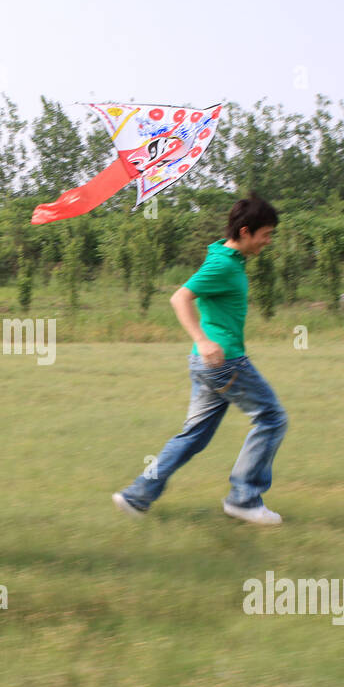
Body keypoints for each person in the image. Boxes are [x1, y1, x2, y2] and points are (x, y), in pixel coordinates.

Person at [112, 193, 288, 525]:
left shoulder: (228, 259)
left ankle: (138, 495)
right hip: (226, 363)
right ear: (246, 231)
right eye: (266, 234)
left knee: (193, 436)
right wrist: (203, 340)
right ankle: (244, 498)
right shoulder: (222, 264)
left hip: (210, 364)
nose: (268, 241)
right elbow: (180, 298)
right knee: (272, 418)